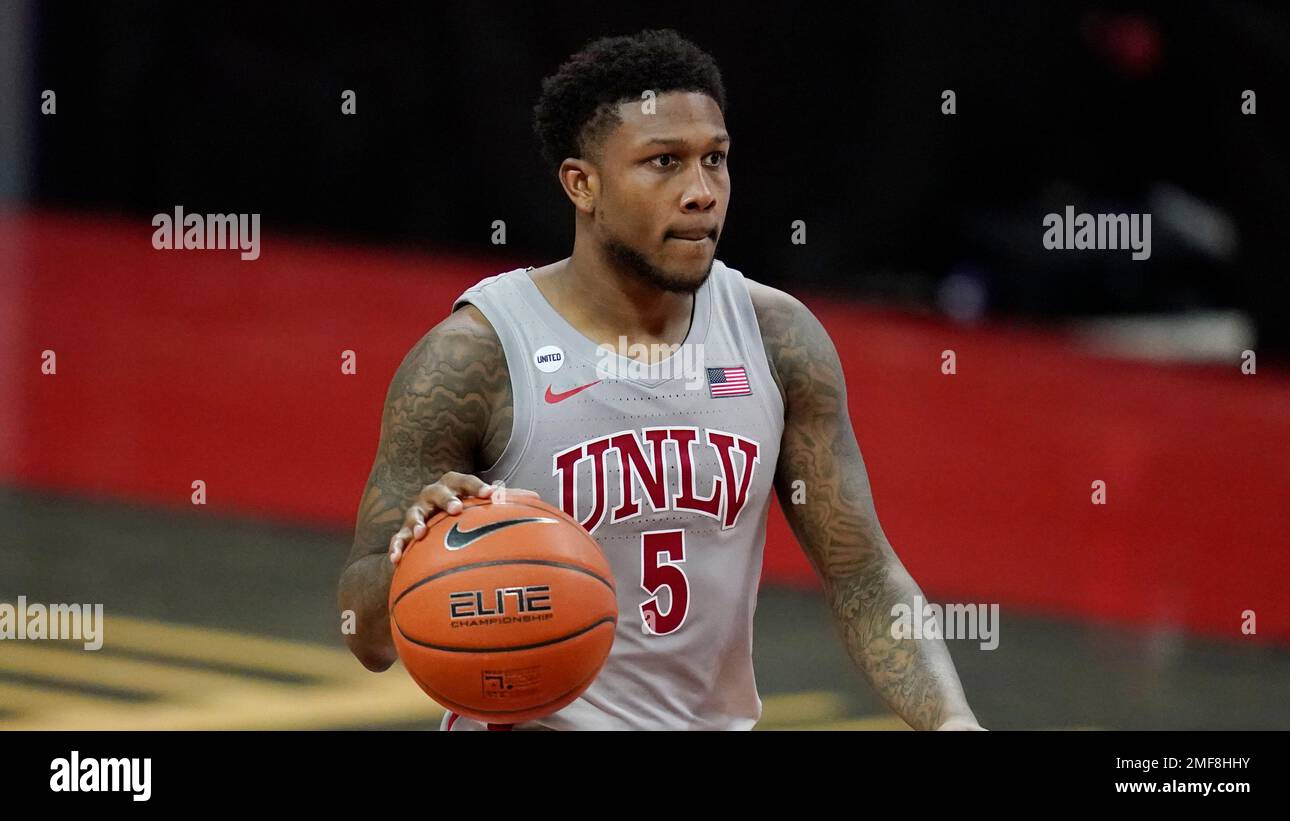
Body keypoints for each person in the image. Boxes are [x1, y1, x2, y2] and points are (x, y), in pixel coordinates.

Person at [338, 28, 982, 731]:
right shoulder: (474, 358)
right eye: (664, 163)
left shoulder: (776, 338)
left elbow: (863, 577)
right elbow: (365, 636)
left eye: (715, 160)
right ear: (583, 184)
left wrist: (952, 722)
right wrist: (416, 553)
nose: (701, 193)